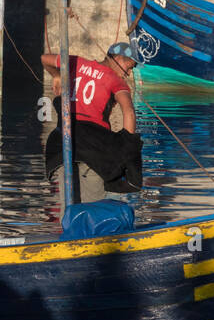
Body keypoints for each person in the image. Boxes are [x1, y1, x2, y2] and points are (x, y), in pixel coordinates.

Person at [40, 43, 142, 202]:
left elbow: (45, 58)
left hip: (63, 147)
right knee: (93, 207)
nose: (128, 74)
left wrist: (57, 75)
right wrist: (127, 148)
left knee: (68, 207)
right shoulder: (116, 81)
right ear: (116, 59)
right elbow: (128, 111)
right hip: (94, 151)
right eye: (129, 67)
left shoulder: (75, 63)